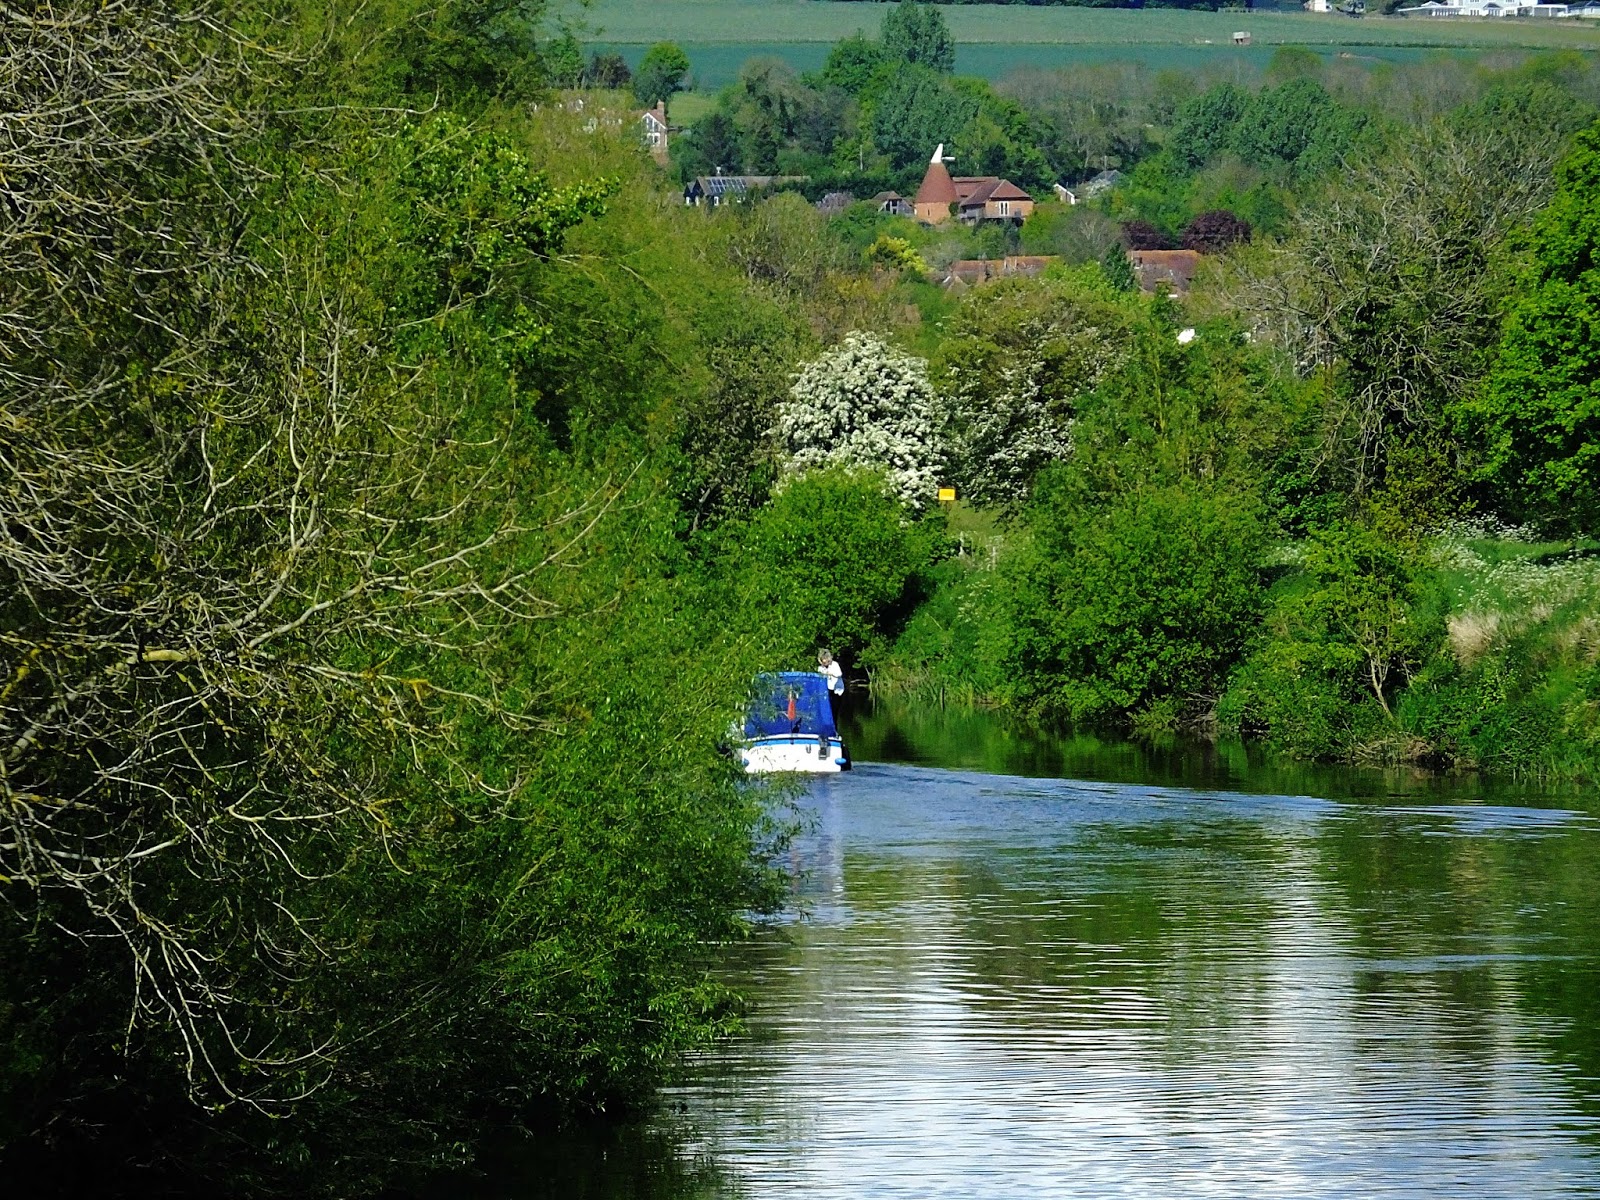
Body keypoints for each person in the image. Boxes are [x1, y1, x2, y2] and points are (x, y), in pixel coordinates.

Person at [817, 649, 844, 725]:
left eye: (825, 659)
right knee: (826, 710)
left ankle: (834, 727)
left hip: (837, 691)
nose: (824, 662)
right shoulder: (821, 668)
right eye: (822, 660)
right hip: (827, 690)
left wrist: (830, 673)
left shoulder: (835, 665)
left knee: (834, 710)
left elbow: (839, 674)